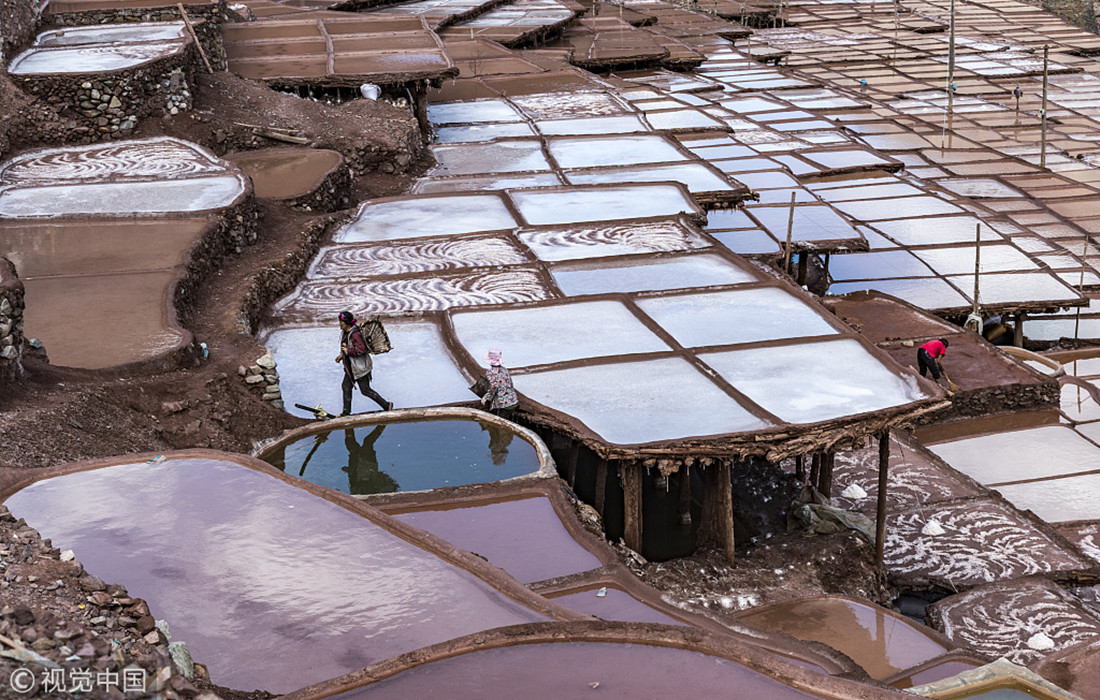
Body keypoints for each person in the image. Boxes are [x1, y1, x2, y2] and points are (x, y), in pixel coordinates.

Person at [335, 310, 393, 416]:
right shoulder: (345, 333)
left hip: (360, 368)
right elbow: (346, 348)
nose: (339, 324)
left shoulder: (355, 334)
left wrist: (347, 351)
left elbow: (361, 350)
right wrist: (341, 355)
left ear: (346, 322)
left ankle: (386, 405)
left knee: (365, 390)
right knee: (346, 387)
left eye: (340, 322)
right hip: (351, 368)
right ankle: (346, 412)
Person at [481, 348, 518, 421]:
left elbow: (494, 387)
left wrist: (486, 398)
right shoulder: (505, 370)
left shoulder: (490, 373)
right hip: (513, 400)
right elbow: (511, 384)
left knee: (500, 422)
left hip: (503, 405)